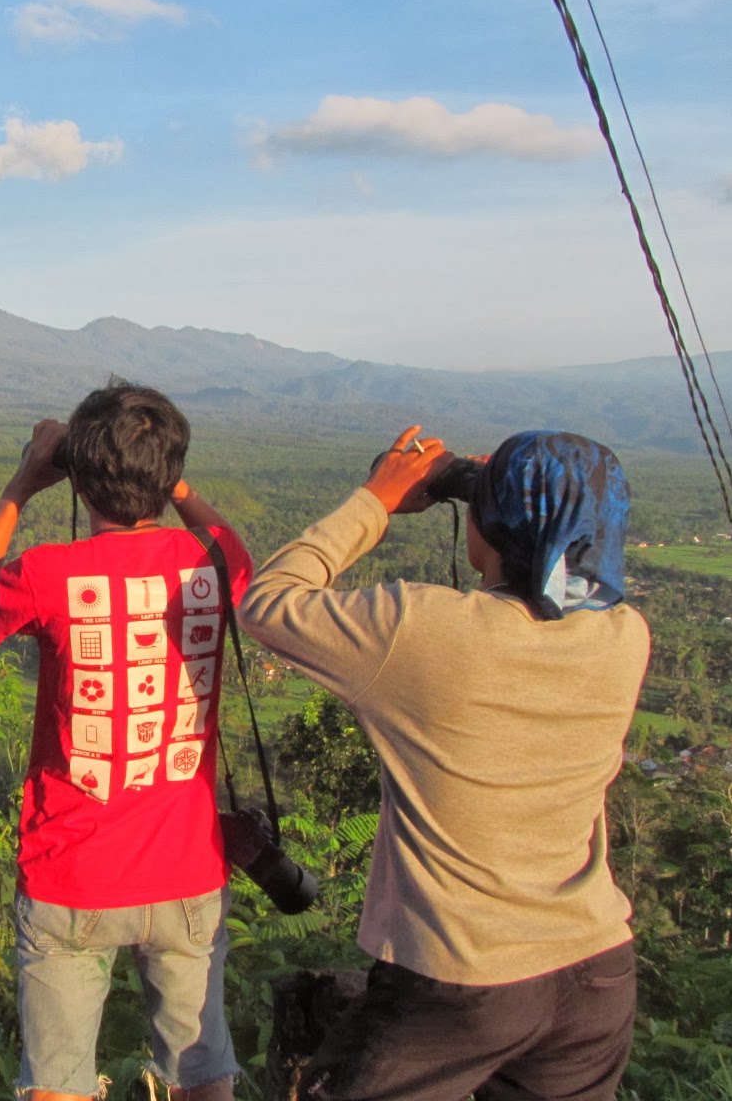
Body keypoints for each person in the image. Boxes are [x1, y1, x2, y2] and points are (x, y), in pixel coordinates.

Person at [238, 426, 650, 1101]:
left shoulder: (422, 630)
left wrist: (378, 497)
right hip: (596, 975)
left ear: (489, 526)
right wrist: (494, 496)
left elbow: (270, 600)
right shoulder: (625, 635)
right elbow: (549, 592)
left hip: (461, 977)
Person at [0, 381, 252, 1101]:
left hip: (71, 872)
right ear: (170, 470)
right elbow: (225, 540)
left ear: (79, 480)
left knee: (56, 1083)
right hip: (187, 870)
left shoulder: (50, 571)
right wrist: (165, 474)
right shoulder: (213, 561)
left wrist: (24, 483)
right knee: (205, 1071)